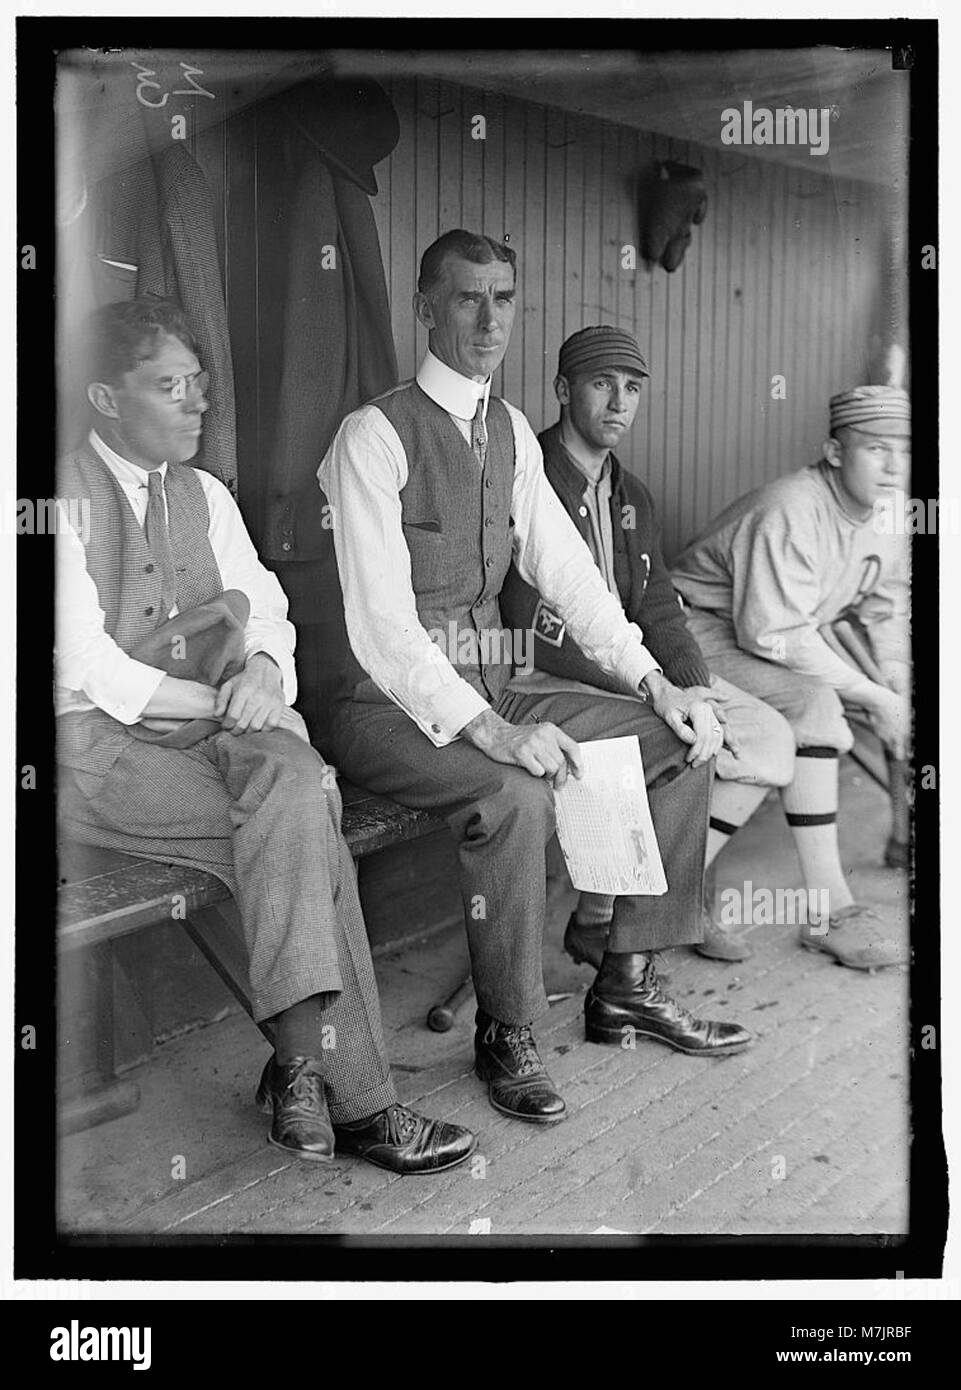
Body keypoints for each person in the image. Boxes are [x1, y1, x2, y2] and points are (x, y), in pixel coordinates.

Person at [319, 229, 752, 1131]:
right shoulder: (374, 435)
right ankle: (507, 1031)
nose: (488, 319)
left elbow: (571, 575)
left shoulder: (511, 430)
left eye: (503, 298)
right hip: (382, 701)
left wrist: (654, 683)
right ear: (426, 307)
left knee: (677, 739)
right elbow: (383, 631)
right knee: (513, 793)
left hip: (494, 677)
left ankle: (625, 979)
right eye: (467, 298)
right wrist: (491, 730)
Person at [56, 297, 476, 1174]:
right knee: (306, 808)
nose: (197, 403)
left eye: (198, 384)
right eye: (168, 386)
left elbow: (269, 611)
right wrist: (226, 705)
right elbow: (86, 666)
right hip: (99, 753)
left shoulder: (204, 493)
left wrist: (261, 674)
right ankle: (352, 1096)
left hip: (223, 723)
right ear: (103, 399)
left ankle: (300, 1071)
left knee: (297, 790)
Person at [499, 324, 797, 965]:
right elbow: (531, 623)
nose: (619, 403)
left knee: (766, 739)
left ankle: (615, 909)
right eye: (602, 384)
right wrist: (653, 691)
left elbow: (658, 604)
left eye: (632, 388)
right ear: (562, 389)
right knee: (674, 740)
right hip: (545, 683)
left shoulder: (632, 494)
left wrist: (693, 686)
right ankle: (631, 930)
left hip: (642, 676)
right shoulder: (530, 476)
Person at [670, 384, 911, 970]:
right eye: (876, 448)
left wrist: (898, 687)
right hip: (689, 631)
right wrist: (875, 697)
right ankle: (654, 898)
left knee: (821, 706)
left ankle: (826, 910)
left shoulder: (890, 511)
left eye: (905, 449)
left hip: (763, 632)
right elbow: (773, 635)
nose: (895, 465)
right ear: (833, 452)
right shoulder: (791, 507)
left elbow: (883, 609)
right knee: (817, 706)